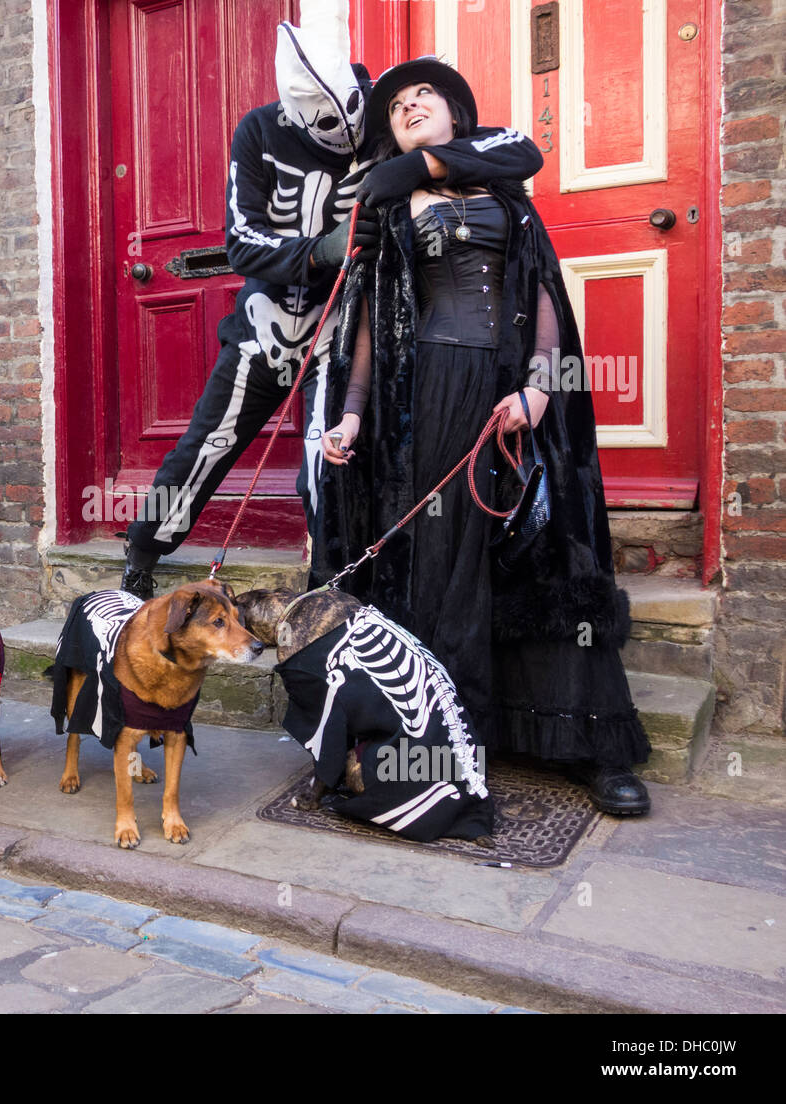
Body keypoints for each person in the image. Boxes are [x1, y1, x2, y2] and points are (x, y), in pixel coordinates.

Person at [118, 1, 544, 599]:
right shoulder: (259, 129)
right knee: (206, 443)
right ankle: (142, 547)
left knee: (328, 462)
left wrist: (420, 163)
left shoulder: (387, 112)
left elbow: (516, 149)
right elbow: (240, 241)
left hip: (344, 324)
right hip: (265, 321)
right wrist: (321, 249)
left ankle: (329, 589)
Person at [319, 57, 651, 815]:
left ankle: (586, 745)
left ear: (455, 114)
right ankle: (441, 738)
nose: (409, 106)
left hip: (510, 393)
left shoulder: (507, 187)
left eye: (423, 95)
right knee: (441, 559)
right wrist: (352, 413)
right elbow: (368, 318)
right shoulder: (387, 209)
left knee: (546, 553)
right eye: (396, 105)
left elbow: (539, 293)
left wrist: (538, 387)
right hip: (426, 395)